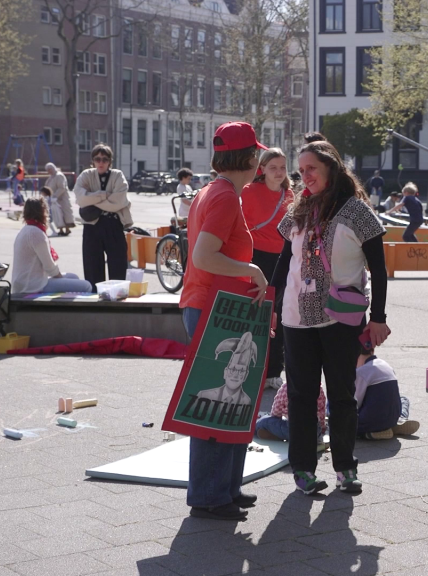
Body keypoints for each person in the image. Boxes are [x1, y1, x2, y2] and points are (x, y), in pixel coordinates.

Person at [270, 139, 391, 496]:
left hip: (341, 320)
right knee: (302, 397)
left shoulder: (358, 212)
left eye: (312, 169)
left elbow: (379, 271)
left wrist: (379, 318)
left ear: (331, 170)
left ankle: (345, 469)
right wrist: (271, 305)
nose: (304, 176)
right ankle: (303, 470)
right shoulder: (297, 210)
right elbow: (283, 262)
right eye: (301, 169)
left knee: (342, 396)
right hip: (295, 320)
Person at [178, 122, 269, 521]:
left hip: (218, 308)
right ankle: (210, 496)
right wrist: (251, 270)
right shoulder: (224, 198)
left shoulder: (211, 191)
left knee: (232, 399)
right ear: (248, 159)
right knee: (215, 402)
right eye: (257, 157)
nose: (260, 164)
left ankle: (226, 488)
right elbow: (203, 256)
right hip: (215, 309)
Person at [241, 148, 296, 390]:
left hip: (283, 259)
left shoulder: (290, 195)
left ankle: (274, 371)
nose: (279, 172)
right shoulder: (249, 191)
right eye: (273, 167)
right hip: (256, 258)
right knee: (256, 314)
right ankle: (249, 368)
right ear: (261, 169)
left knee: (280, 316)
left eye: (282, 167)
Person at [74, 144, 132, 285]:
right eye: (97, 159)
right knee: (93, 268)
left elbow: (119, 201)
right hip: (92, 226)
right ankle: (95, 302)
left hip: (113, 225)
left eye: (104, 159)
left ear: (110, 161)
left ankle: (117, 301)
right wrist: (104, 195)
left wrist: (92, 200)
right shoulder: (86, 175)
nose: (101, 162)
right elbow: (80, 198)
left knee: (118, 267)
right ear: (93, 160)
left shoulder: (117, 175)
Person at [11, 198, 93, 294]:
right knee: (87, 286)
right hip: (32, 286)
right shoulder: (36, 233)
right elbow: (49, 267)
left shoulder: (26, 230)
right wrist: (60, 279)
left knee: (73, 277)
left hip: (25, 283)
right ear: (42, 212)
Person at [354, 344, 420, 440]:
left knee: (347, 425)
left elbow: (356, 403)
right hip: (393, 416)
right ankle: (399, 420)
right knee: (403, 399)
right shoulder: (386, 364)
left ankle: (371, 433)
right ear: (372, 351)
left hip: (372, 421)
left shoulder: (360, 372)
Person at [255, 382, 328, 451]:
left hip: (292, 430)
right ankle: (314, 438)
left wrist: (276, 422)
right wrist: (322, 429)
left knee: (264, 421)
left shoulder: (286, 387)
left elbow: (276, 412)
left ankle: (254, 430)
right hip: (314, 431)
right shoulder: (318, 388)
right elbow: (322, 413)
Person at [44, 163, 74, 236]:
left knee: (65, 213)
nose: (49, 171)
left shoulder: (59, 176)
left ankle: (67, 229)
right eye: (48, 170)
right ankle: (60, 229)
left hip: (62, 198)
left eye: (50, 169)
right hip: (55, 200)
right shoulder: (51, 177)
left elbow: (62, 187)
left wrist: (55, 195)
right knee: (57, 215)